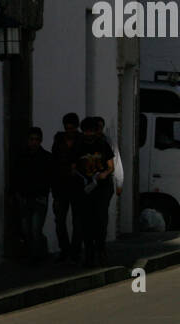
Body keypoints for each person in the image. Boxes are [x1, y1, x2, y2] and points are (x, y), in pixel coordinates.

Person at [71, 116, 115, 266]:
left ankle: (100, 248)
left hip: (101, 188)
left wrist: (103, 174)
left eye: (91, 131)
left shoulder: (102, 145)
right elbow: (73, 165)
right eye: (86, 131)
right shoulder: (78, 146)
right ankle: (89, 252)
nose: (89, 134)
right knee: (86, 222)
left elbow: (110, 166)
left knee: (100, 220)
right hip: (85, 188)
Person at [12, 127, 53, 262]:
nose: (34, 142)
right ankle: (35, 253)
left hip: (39, 197)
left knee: (35, 228)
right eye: (32, 140)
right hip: (24, 197)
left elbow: (49, 177)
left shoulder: (46, 157)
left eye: (36, 140)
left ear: (40, 141)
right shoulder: (21, 157)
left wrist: (44, 192)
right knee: (26, 229)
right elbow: (16, 176)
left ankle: (35, 257)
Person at [50, 113, 80, 261]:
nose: (69, 131)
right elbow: (54, 164)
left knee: (77, 220)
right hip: (61, 186)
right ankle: (65, 249)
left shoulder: (81, 141)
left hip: (77, 187)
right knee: (60, 220)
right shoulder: (59, 140)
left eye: (72, 128)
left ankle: (74, 250)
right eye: (67, 128)